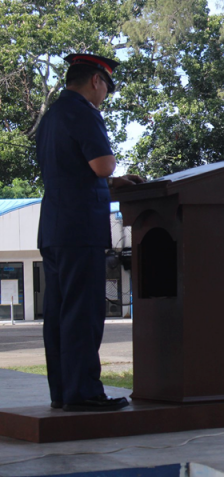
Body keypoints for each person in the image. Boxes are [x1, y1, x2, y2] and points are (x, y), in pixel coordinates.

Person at [37, 53, 143, 412]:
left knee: (59, 314)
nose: (104, 97)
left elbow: (71, 171)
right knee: (82, 313)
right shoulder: (83, 112)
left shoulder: (51, 116)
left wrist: (112, 183)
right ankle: (84, 393)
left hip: (54, 226)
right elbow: (101, 164)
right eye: (106, 89)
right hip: (80, 228)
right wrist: (112, 172)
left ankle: (64, 393)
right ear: (96, 81)